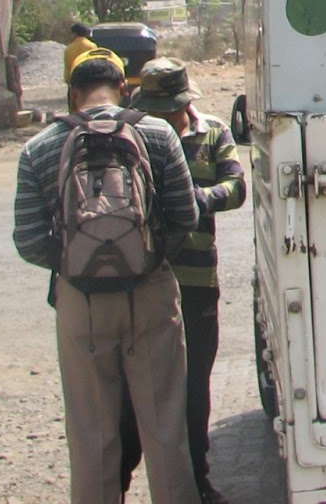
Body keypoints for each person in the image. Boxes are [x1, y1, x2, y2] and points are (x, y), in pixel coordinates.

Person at [11, 48, 202, 504]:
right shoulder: (156, 133)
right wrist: (145, 259)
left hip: (82, 303)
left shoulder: (39, 147)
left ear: (73, 95)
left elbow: (29, 238)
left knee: (92, 435)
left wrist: (78, 265)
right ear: (123, 88)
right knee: (165, 430)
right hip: (152, 294)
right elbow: (185, 216)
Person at [119, 58, 246, 504]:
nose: (162, 118)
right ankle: (119, 481)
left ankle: (197, 480)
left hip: (195, 283)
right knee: (136, 392)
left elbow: (236, 187)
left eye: (168, 109)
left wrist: (193, 200)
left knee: (194, 390)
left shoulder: (211, 131)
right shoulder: (131, 133)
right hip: (145, 281)